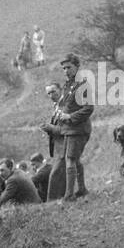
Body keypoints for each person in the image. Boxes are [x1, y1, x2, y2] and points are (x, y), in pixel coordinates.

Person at [49, 53, 94, 201]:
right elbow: (67, 105)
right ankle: (81, 189)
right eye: (63, 68)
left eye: (69, 67)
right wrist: (61, 113)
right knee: (76, 159)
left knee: (70, 159)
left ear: (77, 67)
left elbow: (88, 108)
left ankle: (69, 195)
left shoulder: (83, 85)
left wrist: (69, 117)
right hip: (69, 129)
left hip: (79, 128)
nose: (66, 71)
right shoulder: (68, 85)